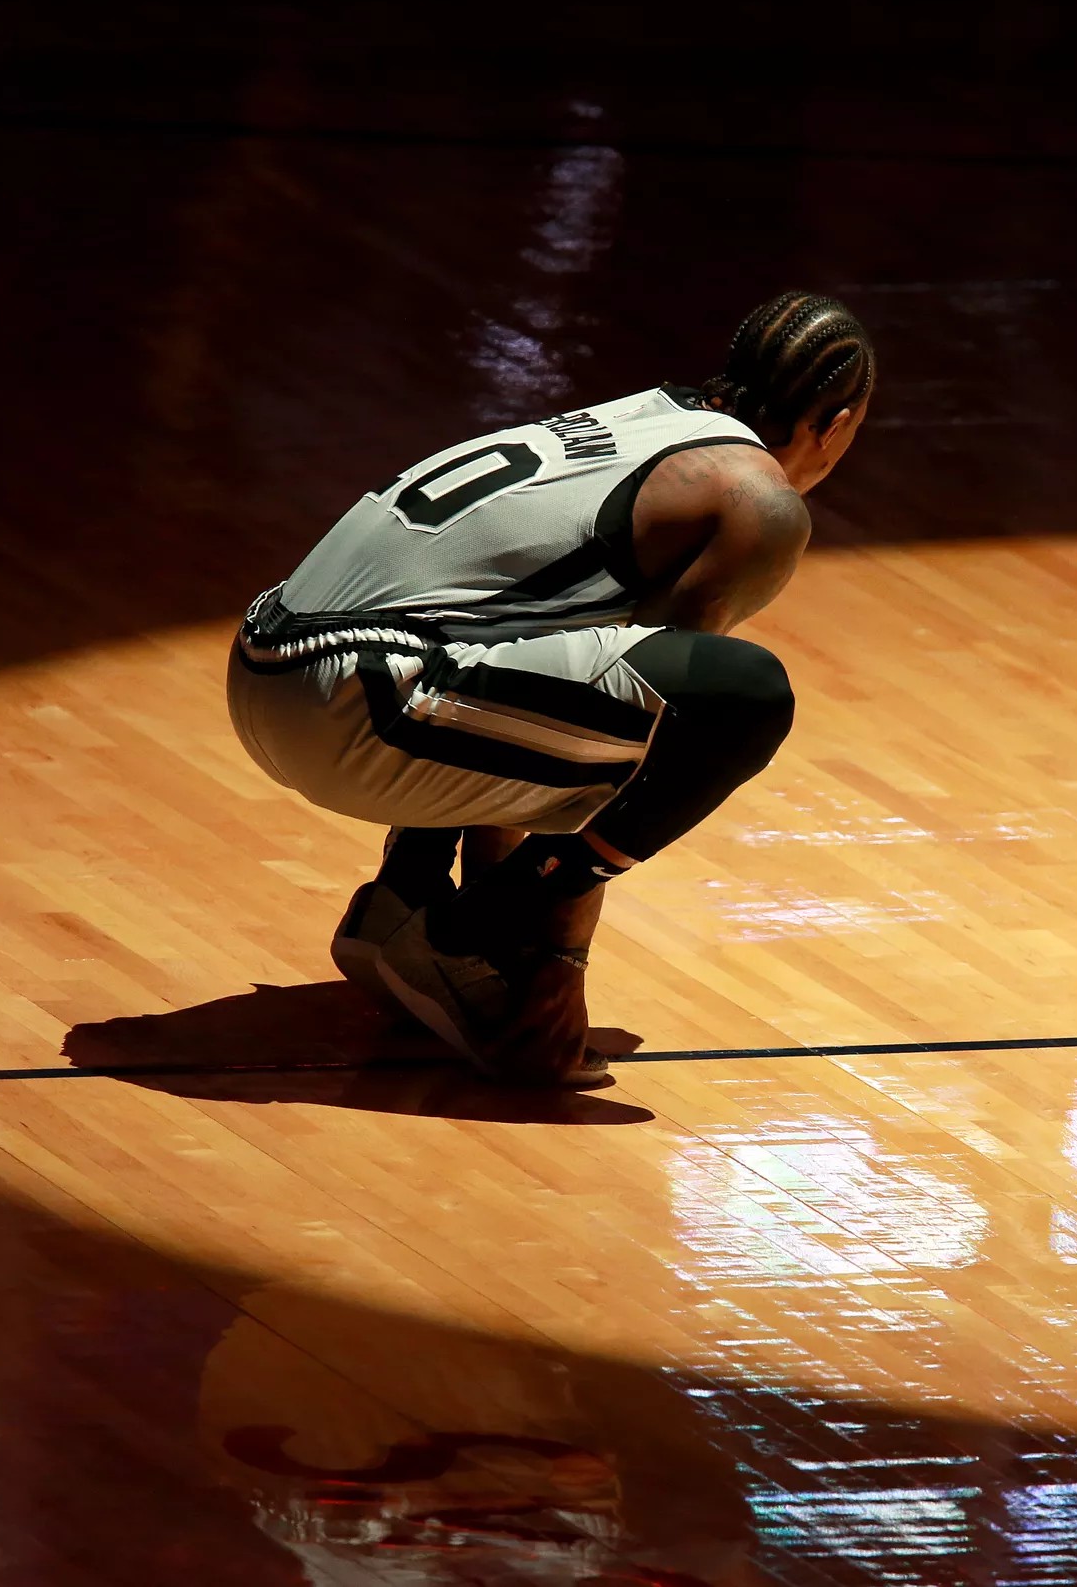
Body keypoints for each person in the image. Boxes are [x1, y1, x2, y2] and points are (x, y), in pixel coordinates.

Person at [228, 291, 874, 1088]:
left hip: (268, 656)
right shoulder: (759, 503)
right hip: (353, 701)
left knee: (527, 661)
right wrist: (558, 962)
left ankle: (409, 899)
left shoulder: (647, 415)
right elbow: (653, 728)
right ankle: (461, 935)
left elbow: (542, 676)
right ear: (837, 424)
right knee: (739, 699)